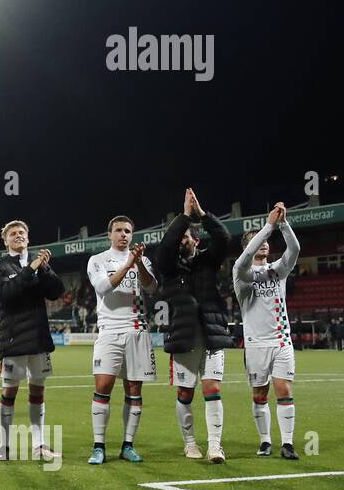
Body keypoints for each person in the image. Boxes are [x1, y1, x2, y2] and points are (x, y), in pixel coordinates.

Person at [154, 188, 232, 463]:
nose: (180, 241)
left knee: (212, 389)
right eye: (179, 236)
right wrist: (184, 218)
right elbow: (165, 245)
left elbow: (224, 238)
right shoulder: (169, 267)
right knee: (185, 393)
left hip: (212, 336)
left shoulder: (208, 262)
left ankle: (214, 446)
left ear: (196, 241)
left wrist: (202, 215)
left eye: (186, 237)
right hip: (184, 338)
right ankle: (189, 444)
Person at [0, 220, 63, 461]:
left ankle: (39, 446)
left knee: (38, 391)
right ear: (5, 240)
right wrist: (31, 268)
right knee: (9, 391)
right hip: (13, 339)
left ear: (28, 238)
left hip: (39, 339)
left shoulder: (40, 265)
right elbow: (5, 294)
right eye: (13, 233)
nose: (18, 236)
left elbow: (56, 292)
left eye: (22, 233)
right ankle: (4, 447)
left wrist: (46, 269)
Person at [85, 215, 157, 465]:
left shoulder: (142, 260)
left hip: (137, 330)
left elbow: (151, 288)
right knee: (103, 387)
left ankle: (128, 445)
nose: (123, 234)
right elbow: (103, 288)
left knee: (134, 390)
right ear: (109, 234)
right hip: (109, 331)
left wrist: (139, 265)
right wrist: (128, 265)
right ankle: (98, 446)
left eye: (128, 230)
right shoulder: (97, 260)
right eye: (118, 230)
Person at [233, 204, 300, 458]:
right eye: (255, 241)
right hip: (256, 344)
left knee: (284, 389)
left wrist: (283, 225)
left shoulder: (278, 271)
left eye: (265, 241)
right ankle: (264, 441)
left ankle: (287, 443)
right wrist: (267, 227)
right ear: (247, 246)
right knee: (260, 393)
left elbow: (294, 250)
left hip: (282, 341)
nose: (263, 244)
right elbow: (243, 259)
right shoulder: (241, 274)